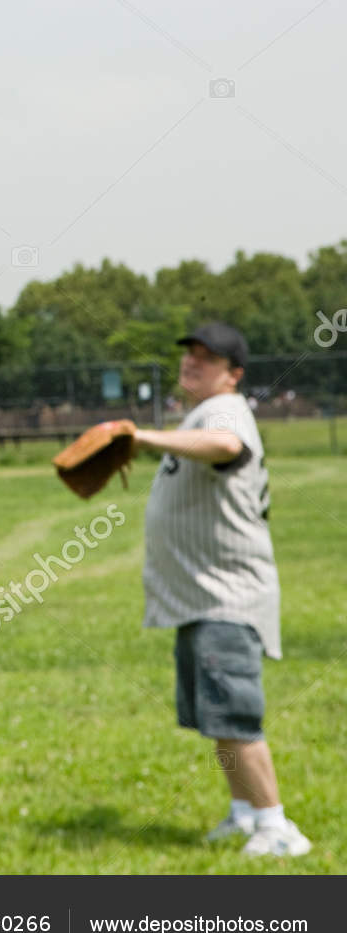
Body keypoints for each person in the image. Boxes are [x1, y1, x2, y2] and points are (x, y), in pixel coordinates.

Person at [130, 323, 309, 858]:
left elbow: (227, 446)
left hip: (226, 597)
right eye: (189, 354)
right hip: (204, 598)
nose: (192, 363)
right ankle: (245, 812)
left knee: (234, 716)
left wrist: (141, 437)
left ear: (233, 374)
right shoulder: (201, 413)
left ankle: (278, 828)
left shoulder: (225, 412)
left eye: (208, 359)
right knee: (218, 718)